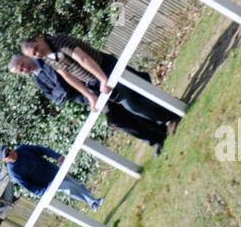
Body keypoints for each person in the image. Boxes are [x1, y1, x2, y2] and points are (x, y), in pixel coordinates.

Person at [11, 35, 177, 151]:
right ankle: (159, 132)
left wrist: (103, 79)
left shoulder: (59, 41)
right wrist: (90, 96)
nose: (38, 54)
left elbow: (83, 59)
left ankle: (171, 115)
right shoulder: (47, 57)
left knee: (134, 102)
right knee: (119, 116)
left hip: (104, 68)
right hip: (93, 84)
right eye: (34, 54)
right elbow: (67, 77)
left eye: (37, 49)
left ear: (39, 39)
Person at [0, 144, 101, 211]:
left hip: (54, 171)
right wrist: (44, 192)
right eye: (7, 155)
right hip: (49, 184)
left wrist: (57, 156)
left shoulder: (22, 149)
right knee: (69, 188)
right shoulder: (14, 171)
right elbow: (29, 186)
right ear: (5, 160)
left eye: (9, 150)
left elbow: (42, 150)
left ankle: (94, 202)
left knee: (75, 185)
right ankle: (93, 202)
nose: (10, 153)